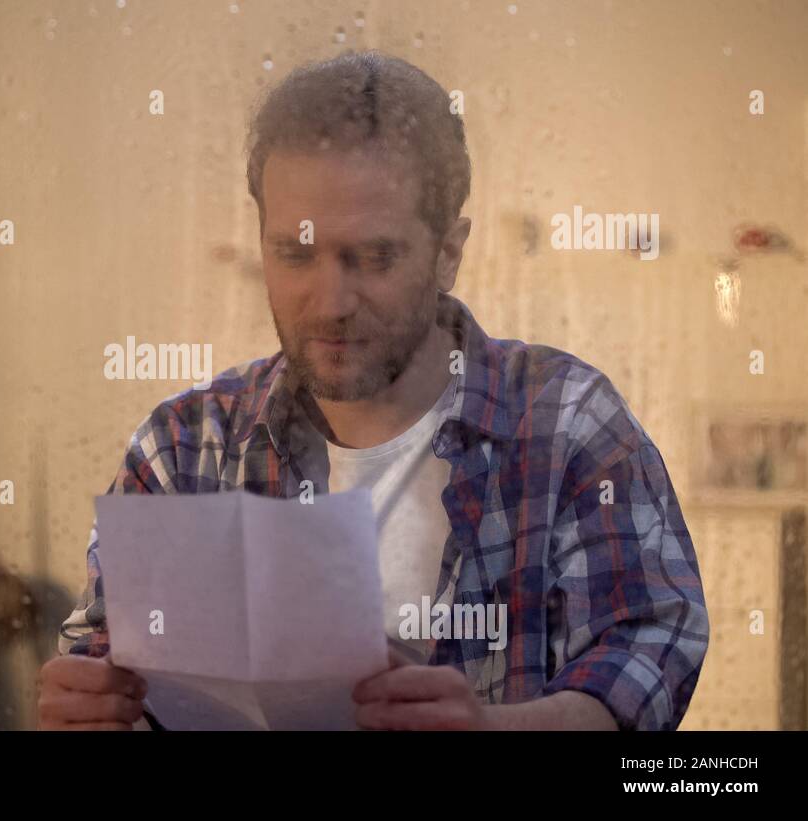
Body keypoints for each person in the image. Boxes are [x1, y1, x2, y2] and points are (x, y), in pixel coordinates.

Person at [37, 50, 707, 731]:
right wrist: (85, 707)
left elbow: (645, 658)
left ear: (449, 251)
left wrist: (493, 728)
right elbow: (104, 660)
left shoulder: (567, 422)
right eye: (295, 255)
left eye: (375, 256)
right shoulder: (183, 449)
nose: (329, 301)